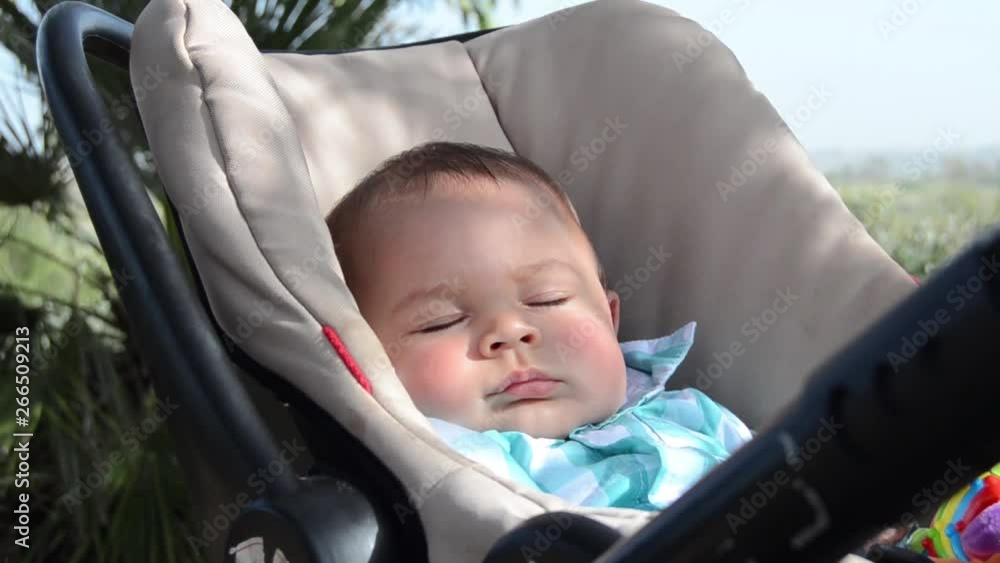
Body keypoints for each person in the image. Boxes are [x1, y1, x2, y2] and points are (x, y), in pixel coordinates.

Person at [326, 141, 753, 510]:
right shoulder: (457, 472)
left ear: (610, 319)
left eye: (547, 299)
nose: (510, 332)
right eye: (442, 322)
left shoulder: (693, 414)